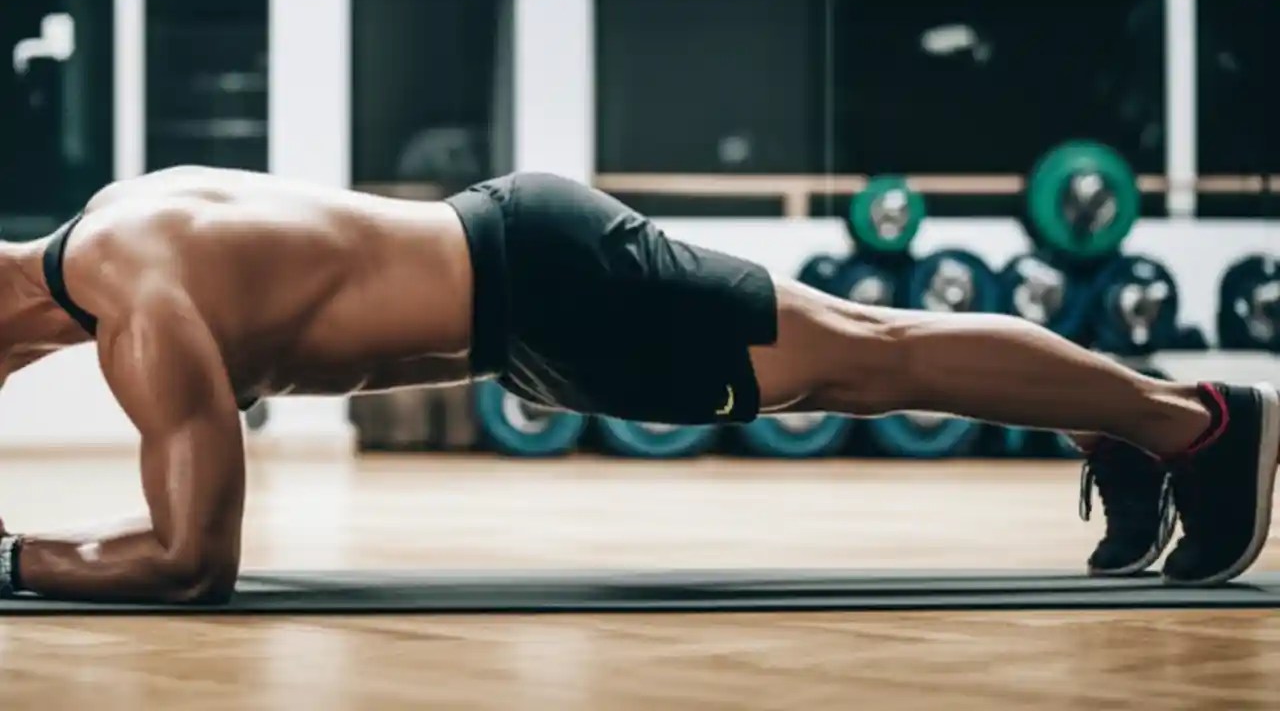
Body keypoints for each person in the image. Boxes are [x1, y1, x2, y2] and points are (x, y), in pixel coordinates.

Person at [0, 167, 1274, 604]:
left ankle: (1189, 425)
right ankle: (1140, 421)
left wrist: (14, 559)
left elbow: (189, 565)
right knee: (857, 356)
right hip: (523, 273)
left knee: (862, 359)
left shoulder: (138, 310)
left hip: (546, 294)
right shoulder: (126, 217)